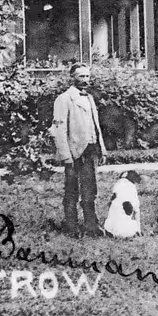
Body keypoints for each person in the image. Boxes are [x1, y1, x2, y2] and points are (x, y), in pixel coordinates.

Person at [52, 63, 107, 237]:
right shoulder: (64, 99)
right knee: (72, 190)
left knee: (90, 190)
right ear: (72, 77)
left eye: (87, 76)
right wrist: (66, 156)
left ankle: (91, 225)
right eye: (81, 76)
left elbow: (95, 125)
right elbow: (58, 130)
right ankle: (71, 225)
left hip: (90, 150)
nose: (85, 80)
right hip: (74, 151)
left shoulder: (89, 98)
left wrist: (102, 149)